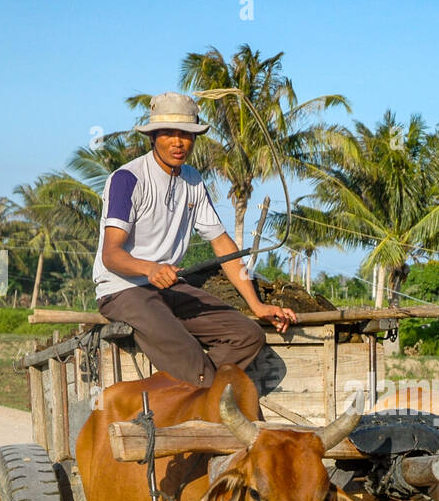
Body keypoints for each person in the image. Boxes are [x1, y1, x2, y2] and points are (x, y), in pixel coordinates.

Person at [92, 91, 297, 387]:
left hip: (169, 287)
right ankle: (204, 387)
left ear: (195, 138)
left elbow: (221, 242)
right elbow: (111, 255)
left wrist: (257, 306)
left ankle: (195, 389)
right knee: (192, 360)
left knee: (248, 335)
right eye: (169, 134)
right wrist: (150, 268)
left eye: (186, 134)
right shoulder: (128, 179)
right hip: (123, 290)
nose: (178, 142)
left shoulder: (193, 181)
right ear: (153, 137)